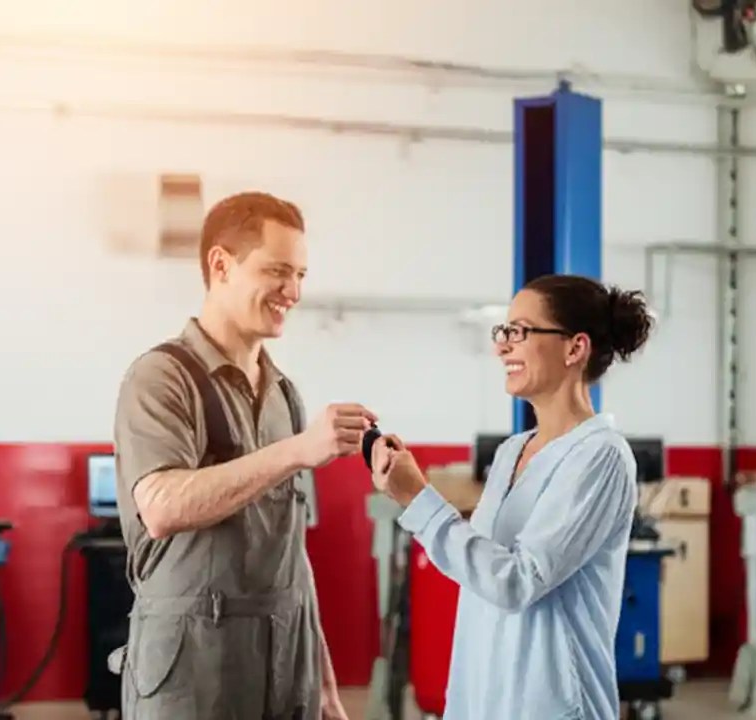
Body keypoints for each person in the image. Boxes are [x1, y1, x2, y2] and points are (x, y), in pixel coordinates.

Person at [112, 191, 374, 719]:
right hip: (193, 672)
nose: (294, 291)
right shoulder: (161, 377)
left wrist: (322, 682)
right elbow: (161, 507)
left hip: (283, 667)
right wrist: (298, 450)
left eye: (301, 274)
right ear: (220, 265)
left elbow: (292, 555)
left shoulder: (283, 395)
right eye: (278, 271)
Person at [370, 274, 655, 720]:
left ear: (574, 348)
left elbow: (519, 581)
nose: (502, 347)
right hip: (485, 697)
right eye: (504, 332)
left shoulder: (601, 456)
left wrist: (419, 500)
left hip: (551, 706)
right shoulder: (510, 452)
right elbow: (481, 574)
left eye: (520, 332)